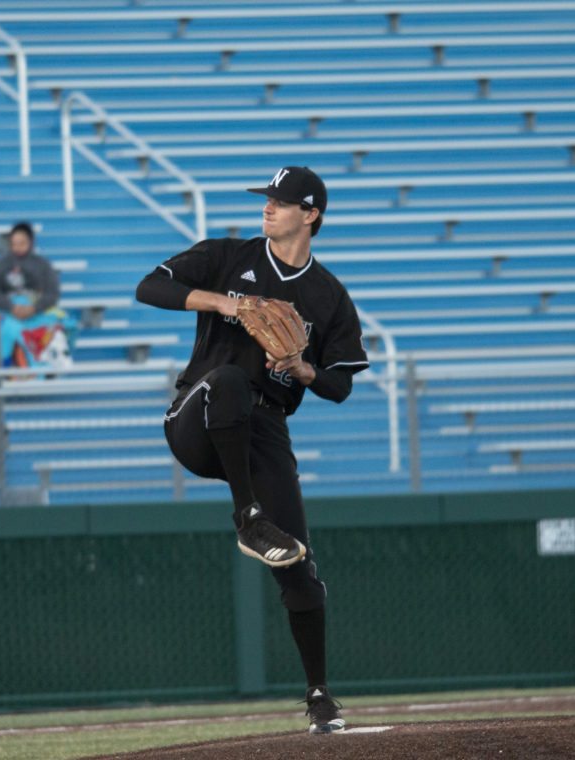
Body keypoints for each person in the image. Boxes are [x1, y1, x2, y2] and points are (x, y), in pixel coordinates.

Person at [135, 166, 368, 734]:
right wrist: (225, 303)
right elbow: (149, 287)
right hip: (197, 413)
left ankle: (319, 697)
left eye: (281, 201)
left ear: (310, 214)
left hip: (263, 432)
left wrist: (302, 367)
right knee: (230, 380)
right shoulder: (227, 254)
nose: (268, 207)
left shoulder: (328, 295)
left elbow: (341, 383)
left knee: (300, 567)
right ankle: (248, 517)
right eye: (267, 198)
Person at [0, 221, 72, 369]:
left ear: (30, 242)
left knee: (55, 328)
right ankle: (5, 367)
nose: (17, 247)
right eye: (14, 243)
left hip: (36, 313)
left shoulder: (43, 265)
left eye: (22, 243)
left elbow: (52, 294)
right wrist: (11, 306)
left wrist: (33, 308)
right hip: (6, 312)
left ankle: (41, 367)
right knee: (4, 328)